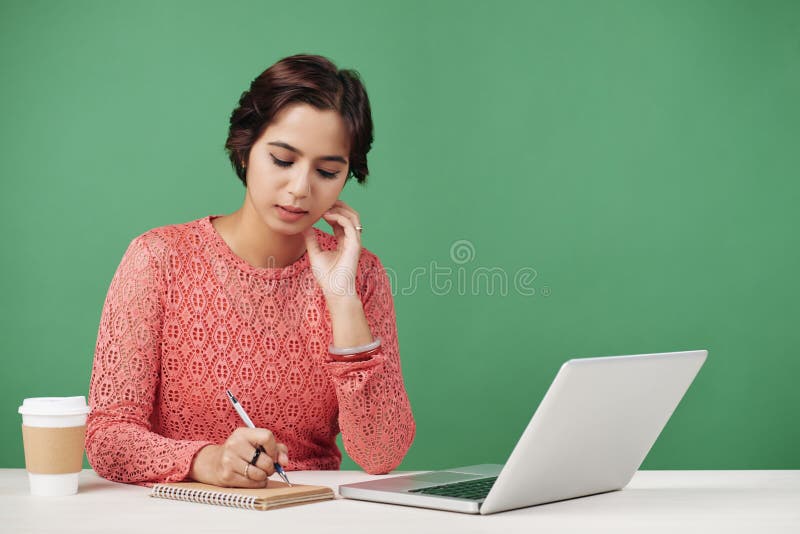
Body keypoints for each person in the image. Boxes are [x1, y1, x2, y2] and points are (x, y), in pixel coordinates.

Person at [85, 53, 416, 488]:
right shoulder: (158, 259)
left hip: (308, 513)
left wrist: (342, 298)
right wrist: (211, 462)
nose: (300, 189)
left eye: (327, 171)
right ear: (244, 150)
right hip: (182, 513)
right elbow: (108, 437)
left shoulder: (361, 273)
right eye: (282, 160)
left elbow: (382, 453)